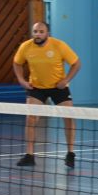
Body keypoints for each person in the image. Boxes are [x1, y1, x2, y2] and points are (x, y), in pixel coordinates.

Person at [13, 22, 81, 168]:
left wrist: (66, 80)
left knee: (69, 118)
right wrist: (21, 80)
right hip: (37, 88)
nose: (37, 34)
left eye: (41, 31)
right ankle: (29, 155)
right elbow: (17, 63)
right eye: (35, 31)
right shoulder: (26, 46)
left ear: (47, 33)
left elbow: (76, 63)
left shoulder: (59, 46)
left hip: (58, 87)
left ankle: (70, 154)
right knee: (30, 119)